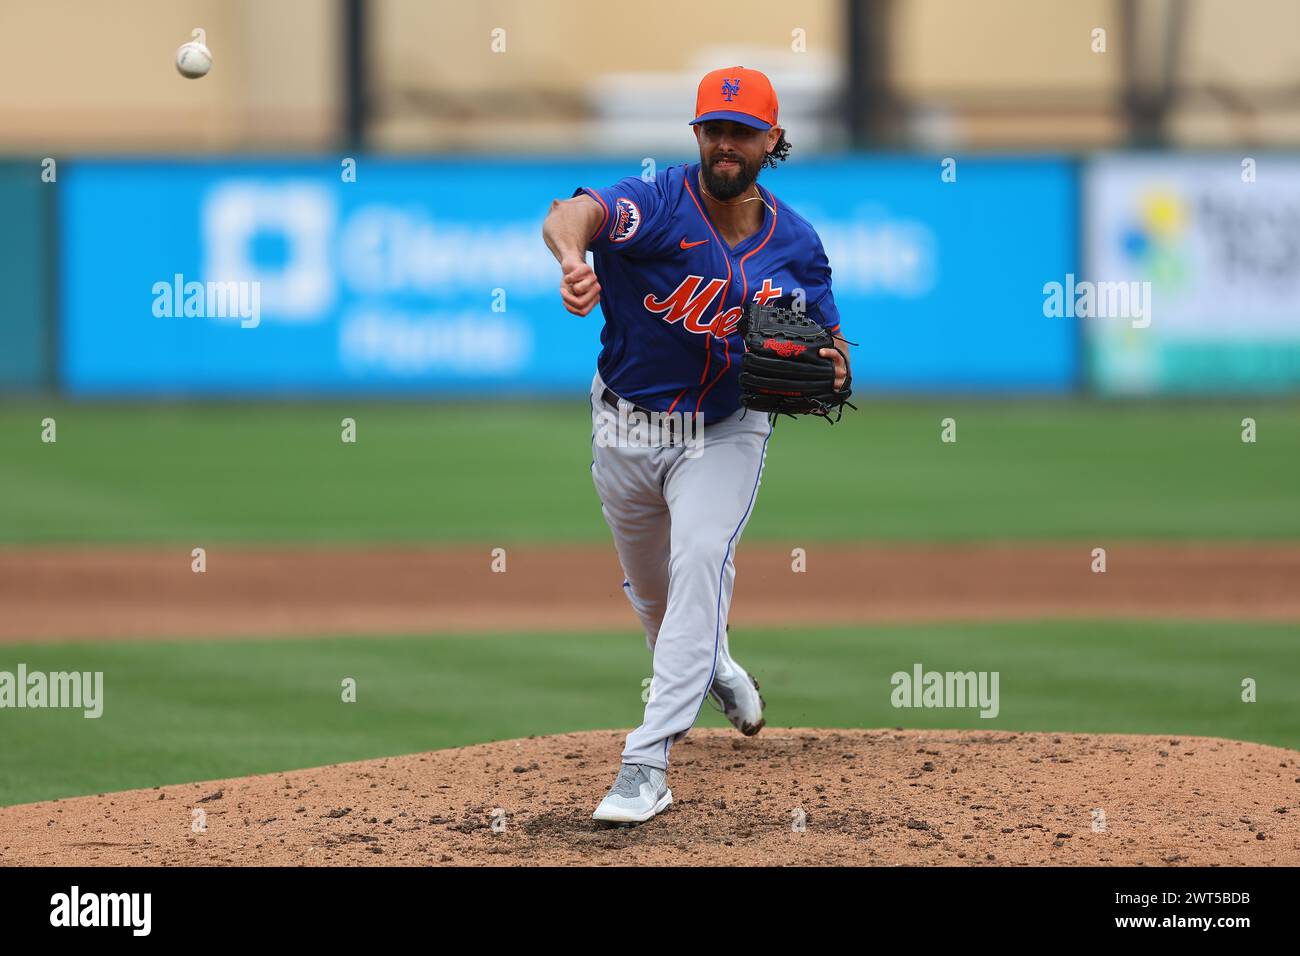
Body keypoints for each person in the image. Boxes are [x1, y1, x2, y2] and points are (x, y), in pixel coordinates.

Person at [541, 66, 849, 824]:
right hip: (624, 425)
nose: (724, 142)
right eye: (713, 127)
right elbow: (571, 214)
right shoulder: (655, 201)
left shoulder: (797, 245)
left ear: (772, 140)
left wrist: (832, 370)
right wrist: (574, 262)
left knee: (701, 558)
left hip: (726, 430)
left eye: (742, 131)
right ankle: (715, 664)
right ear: (697, 135)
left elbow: (836, 354)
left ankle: (645, 764)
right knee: (657, 598)